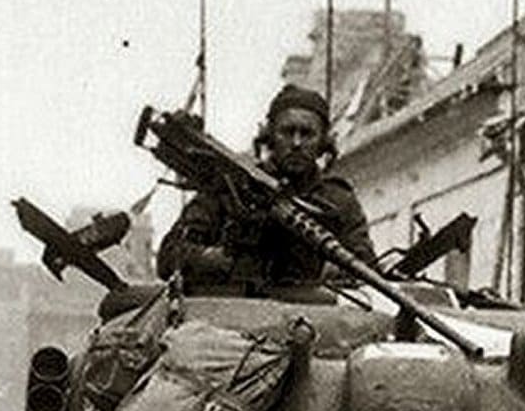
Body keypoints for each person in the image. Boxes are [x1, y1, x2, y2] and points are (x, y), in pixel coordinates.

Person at [156, 83, 378, 291]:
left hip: (313, 317)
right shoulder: (234, 186)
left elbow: (366, 267)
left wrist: (326, 269)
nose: (297, 143)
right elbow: (168, 258)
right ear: (270, 137)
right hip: (233, 317)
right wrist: (225, 259)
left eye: (307, 134)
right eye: (287, 132)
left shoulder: (338, 201)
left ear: (323, 142)